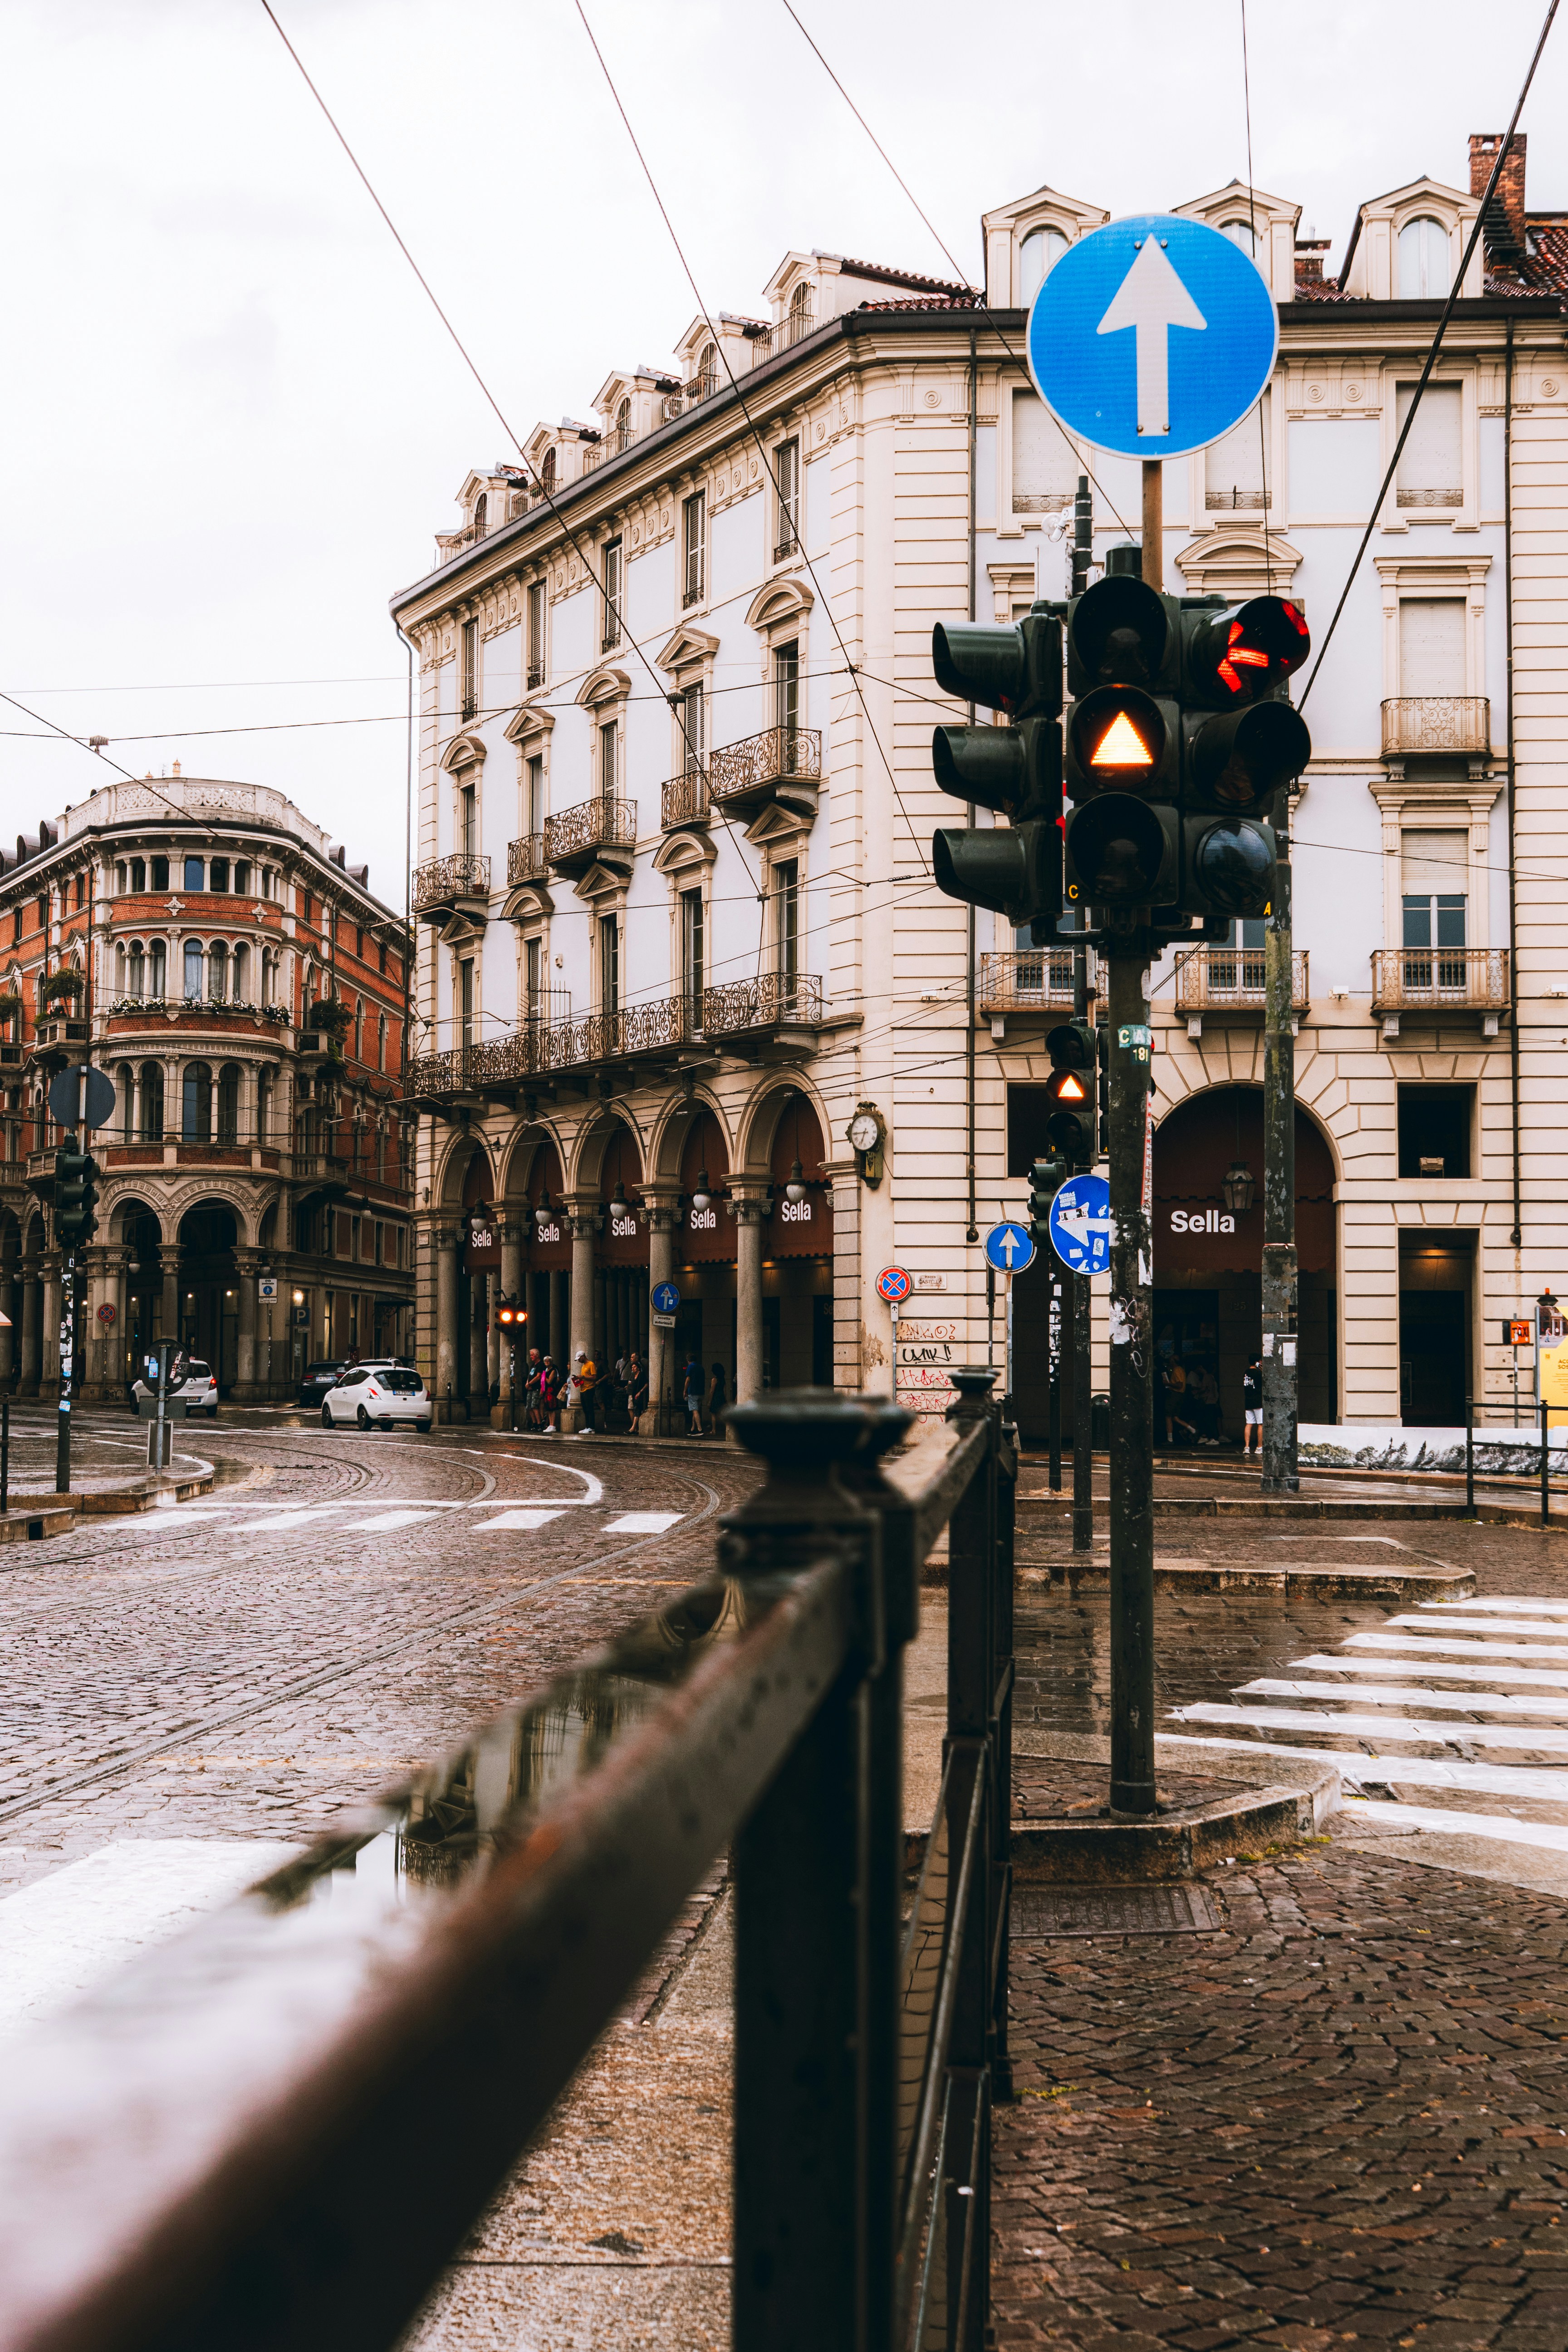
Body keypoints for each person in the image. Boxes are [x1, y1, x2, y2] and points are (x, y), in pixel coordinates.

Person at [572, 1348, 598, 1435]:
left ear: (583, 1357)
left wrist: (583, 1377)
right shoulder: (583, 1366)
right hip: (583, 1389)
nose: (579, 1361)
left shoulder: (591, 1364)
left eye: (579, 1359)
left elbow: (594, 1377)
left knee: (590, 1409)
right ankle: (588, 1427)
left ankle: (592, 1427)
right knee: (585, 1409)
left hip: (589, 1389)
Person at [1243, 1357, 1263, 1457]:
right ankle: (1259, 1447)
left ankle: (1247, 1447)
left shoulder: (1246, 1372)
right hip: (1258, 1402)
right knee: (1260, 1424)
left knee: (1249, 1424)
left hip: (1248, 1401)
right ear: (1256, 1362)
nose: (1261, 1363)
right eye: (1260, 1361)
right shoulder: (1259, 1373)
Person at [626, 1351, 648, 1436]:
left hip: (636, 1394)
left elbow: (645, 1383)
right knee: (633, 1410)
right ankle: (635, 1428)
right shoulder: (634, 1370)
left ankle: (635, 1428)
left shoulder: (640, 1370)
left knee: (634, 1410)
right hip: (632, 1392)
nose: (631, 1359)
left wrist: (640, 1392)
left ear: (636, 1358)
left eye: (632, 1358)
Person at [683, 1355, 705, 1436]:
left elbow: (688, 1380)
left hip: (693, 1392)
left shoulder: (690, 1367)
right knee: (695, 1411)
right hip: (701, 1392)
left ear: (688, 1360)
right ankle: (693, 1429)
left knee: (695, 1411)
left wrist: (685, 1391)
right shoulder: (701, 1367)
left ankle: (700, 1430)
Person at [539, 1355, 560, 1435]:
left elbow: (549, 1381)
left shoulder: (553, 1370)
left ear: (551, 1362)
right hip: (547, 1391)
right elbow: (543, 1382)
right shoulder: (546, 1370)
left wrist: (543, 1376)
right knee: (548, 1408)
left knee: (552, 1408)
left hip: (552, 1390)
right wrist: (542, 1390)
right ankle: (550, 1425)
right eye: (545, 1361)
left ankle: (553, 1425)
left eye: (548, 1361)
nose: (547, 1362)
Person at [523, 1347, 543, 1431]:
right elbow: (530, 1376)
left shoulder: (541, 1365)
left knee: (535, 1406)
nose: (531, 1357)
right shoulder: (532, 1365)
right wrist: (527, 1384)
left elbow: (538, 1377)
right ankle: (534, 1423)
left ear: (537, 1356)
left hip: (536, 1388)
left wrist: (530, 1383)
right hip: (530, 1388)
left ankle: (539, 1424)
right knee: (529, 1407)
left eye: (532, 1355)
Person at [707, 1359, 727, 1431]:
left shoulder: (714, 1380)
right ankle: (728, 1429)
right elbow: (725, 1391)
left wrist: (709, 1401)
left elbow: (712, 1391)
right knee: (722, 1414)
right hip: (722, 1397)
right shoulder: (723, 1379)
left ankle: (714, 1430)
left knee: (713, 1414)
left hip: (715, 1398)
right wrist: (725, 1400)